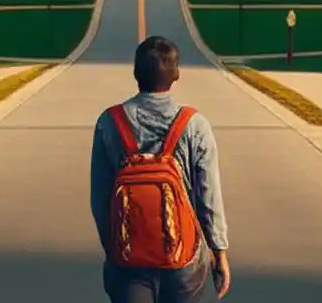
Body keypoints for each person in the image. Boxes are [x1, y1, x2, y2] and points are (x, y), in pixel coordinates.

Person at [90, 36, 231, 302]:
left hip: (128, 259)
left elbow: (99, 199)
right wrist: (219, 249)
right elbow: (209, 196)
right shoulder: (195, 125)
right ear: (176, 74)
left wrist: (114, 248)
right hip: (184, 259)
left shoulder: (109, 122)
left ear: (135, 73)